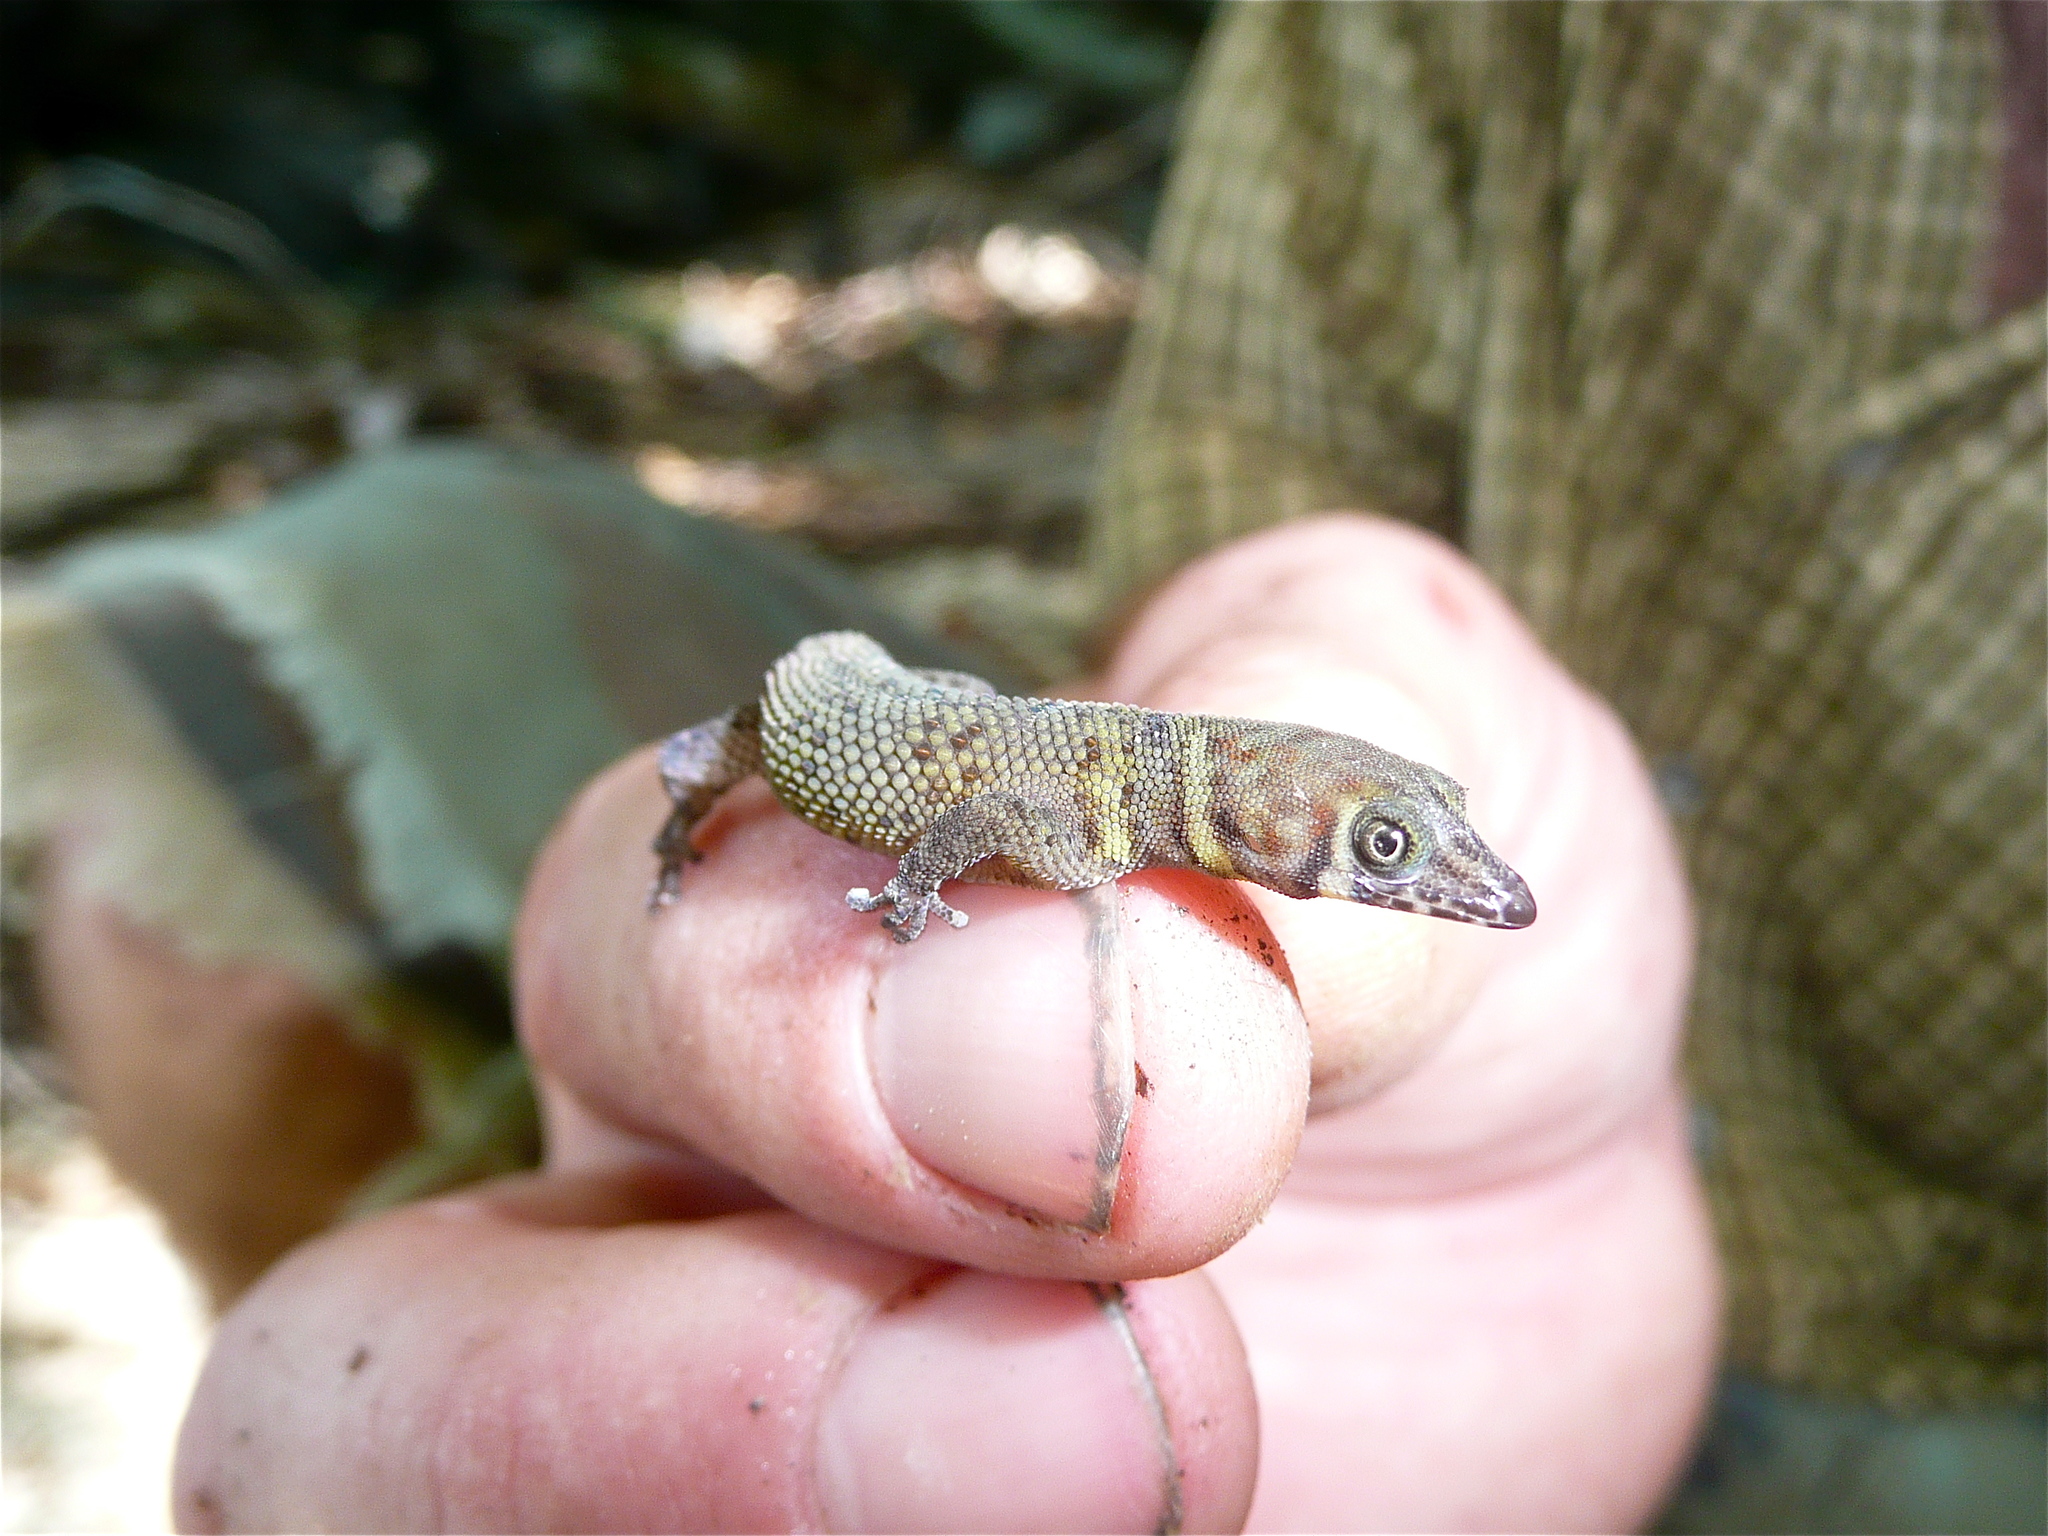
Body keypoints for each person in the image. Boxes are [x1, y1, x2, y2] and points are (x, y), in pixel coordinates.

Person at [12, 4, 2039, 1531]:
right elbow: (1224, 489)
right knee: (212, 675)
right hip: (873, 754)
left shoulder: (1136, 837)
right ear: (1256, 804)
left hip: (1955, 1356)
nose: (1441, 894)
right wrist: (1280, 623)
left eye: (1396, 853)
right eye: (1383, 847)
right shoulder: (1110, 815)